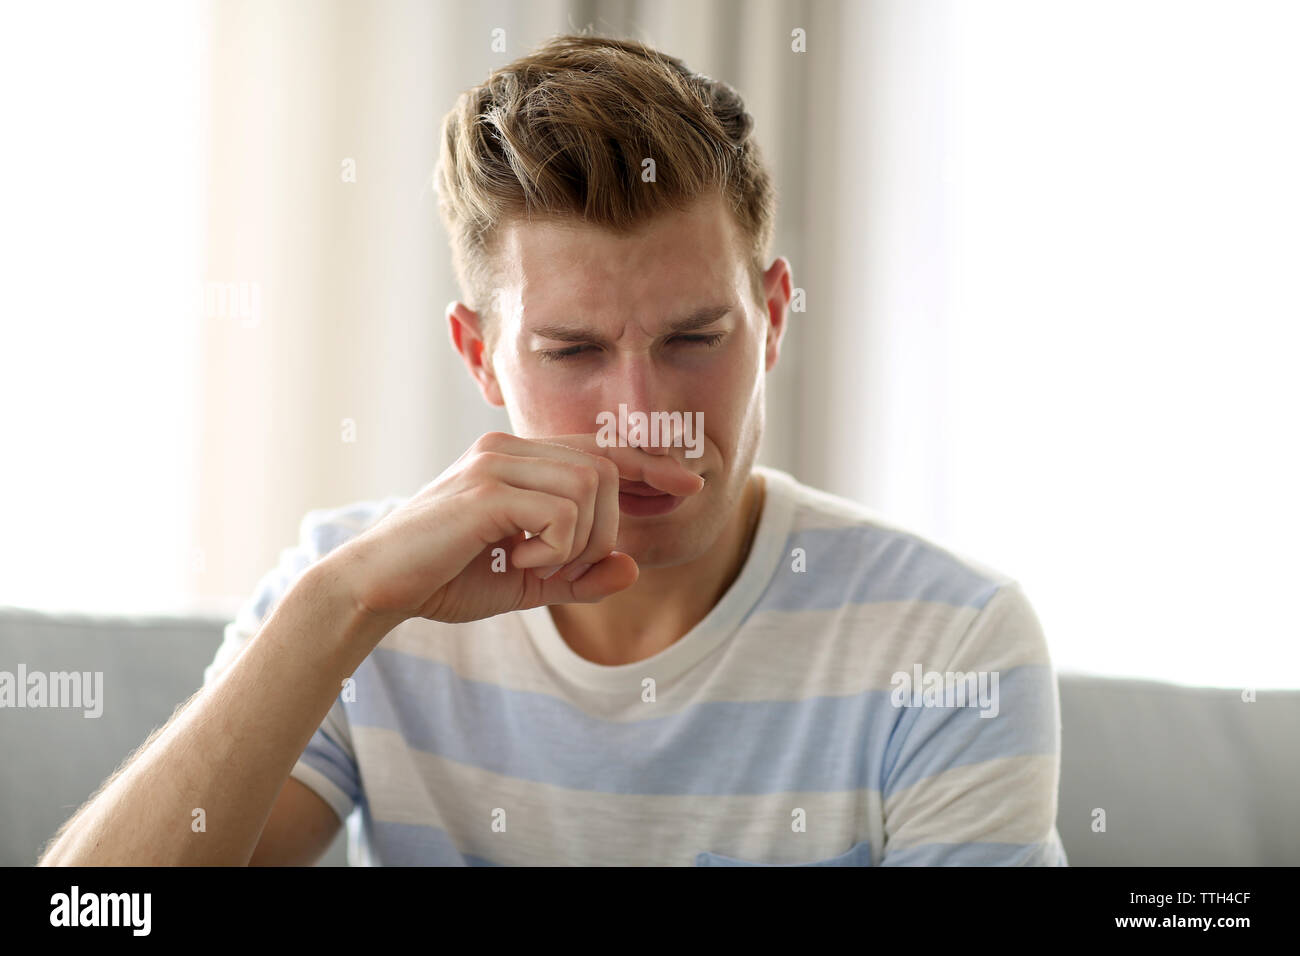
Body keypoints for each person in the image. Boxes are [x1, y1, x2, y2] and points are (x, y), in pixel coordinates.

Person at [39, 33, 1066, 867]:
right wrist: (338, 607)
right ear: (479, 357)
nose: (641, 414)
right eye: (573, 351)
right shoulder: (360, 600)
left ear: (775, 319)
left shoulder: (949, 641)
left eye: (695, 339)